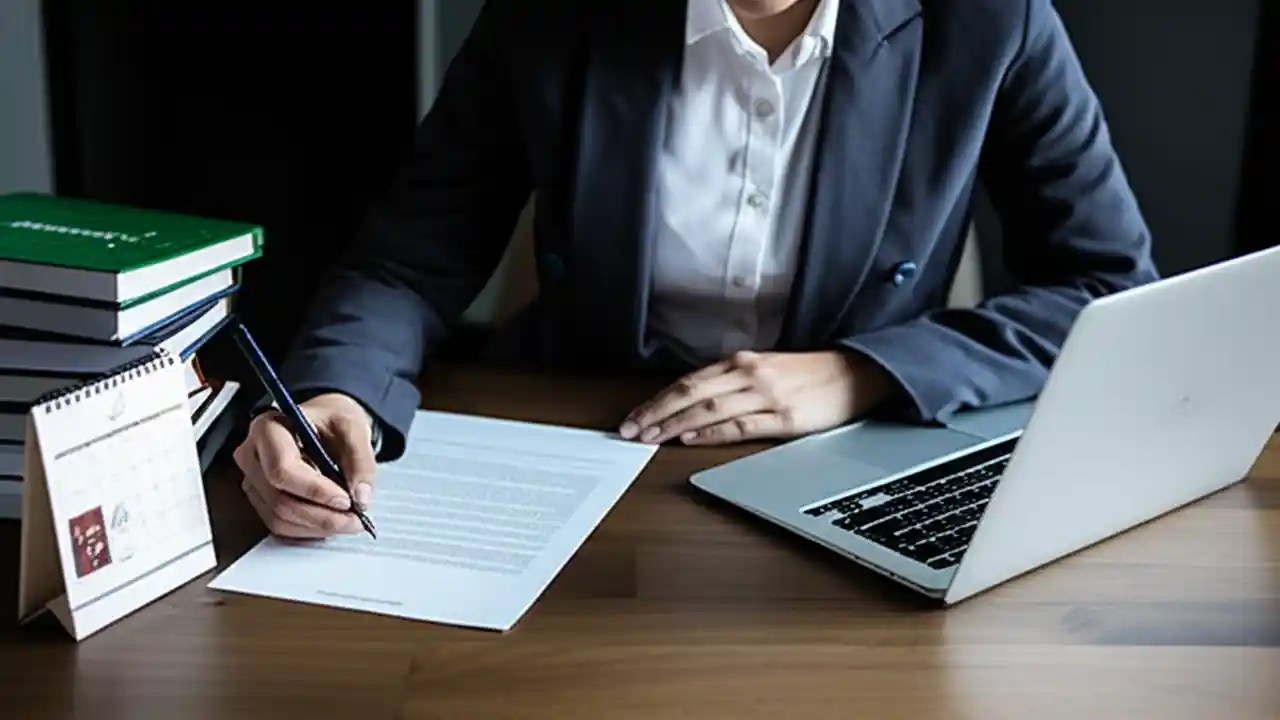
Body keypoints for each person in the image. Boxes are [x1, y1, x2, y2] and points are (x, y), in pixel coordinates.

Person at [233, 0, 1157, 538]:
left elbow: (1108, 287)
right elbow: (409, 259)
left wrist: (865, 372)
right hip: (588, 446)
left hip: (846, 470)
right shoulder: (549, 13)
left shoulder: (991, 18)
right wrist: (335, 392)